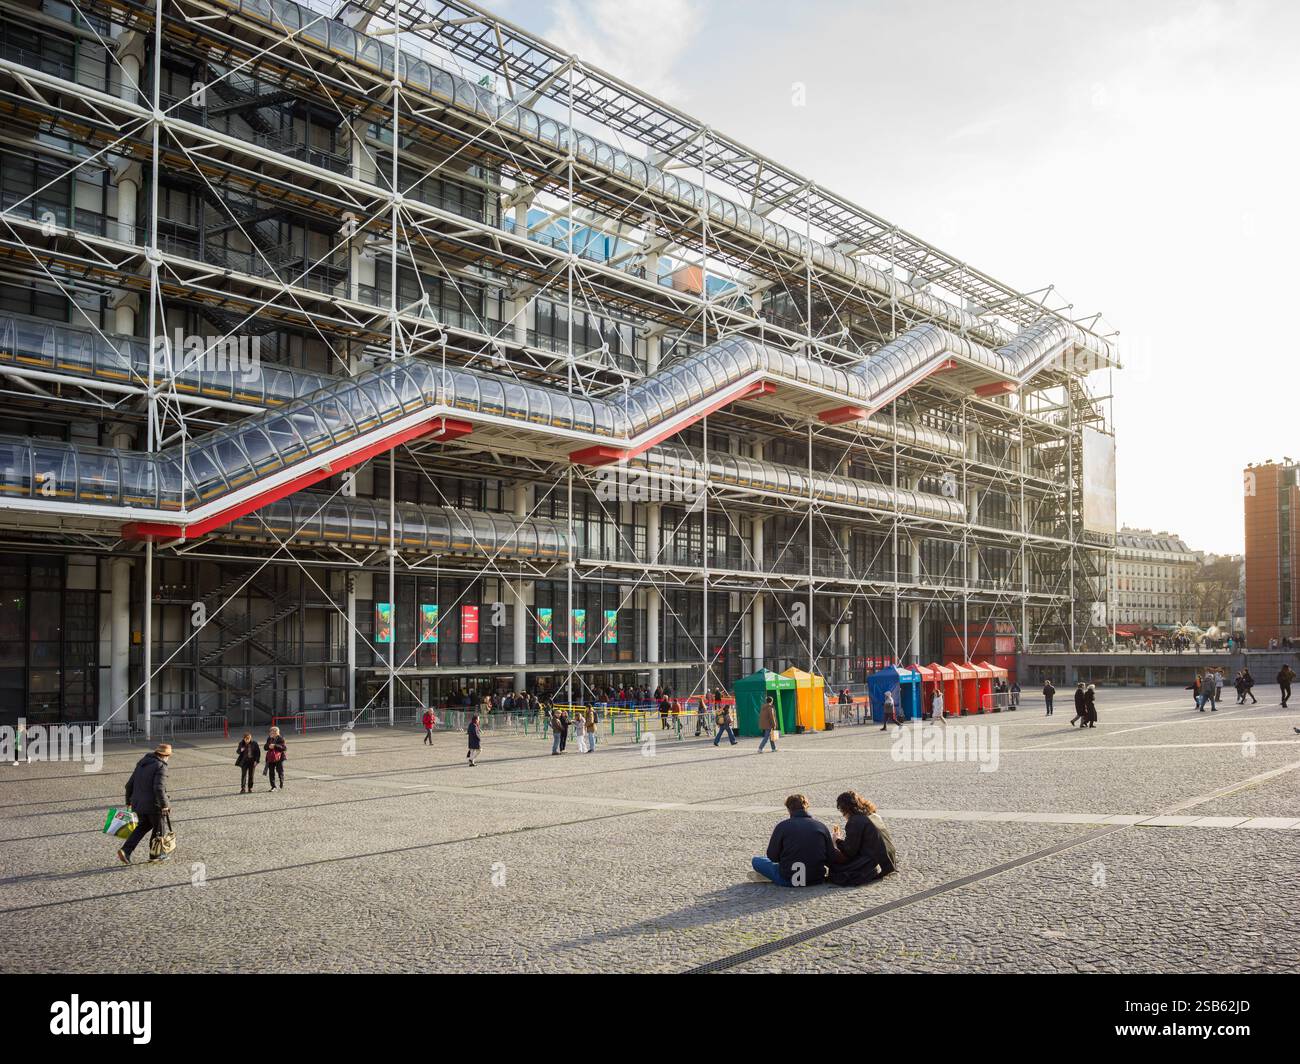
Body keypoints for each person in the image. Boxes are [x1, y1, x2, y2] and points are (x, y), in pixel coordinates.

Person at [750, 794, 835, 887]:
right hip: (816, 878)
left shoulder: (782, 826)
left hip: (789, 878)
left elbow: (772, 856)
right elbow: (830, 856)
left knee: (756, 860)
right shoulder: (821, 826)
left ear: (789, 809)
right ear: (806, 807)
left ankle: (772, 875)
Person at [117, 743, 173, 864]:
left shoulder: (142, 763)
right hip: (153, 804)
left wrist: (129, 802)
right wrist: (165, 805)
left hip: (138, 803)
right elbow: (159, 788)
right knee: (159, 829)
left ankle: (125, 850)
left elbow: (129, 785)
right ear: (165, 755)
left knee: (143, 826)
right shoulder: (161, 766)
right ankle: (156, 854)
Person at [828, 791, 897, 886]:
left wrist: (837, 840)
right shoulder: (874, 815)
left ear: (845, 809)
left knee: (836, 869)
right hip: (888, 860)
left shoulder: (855, 821)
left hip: (872, 863)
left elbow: (850, 851)